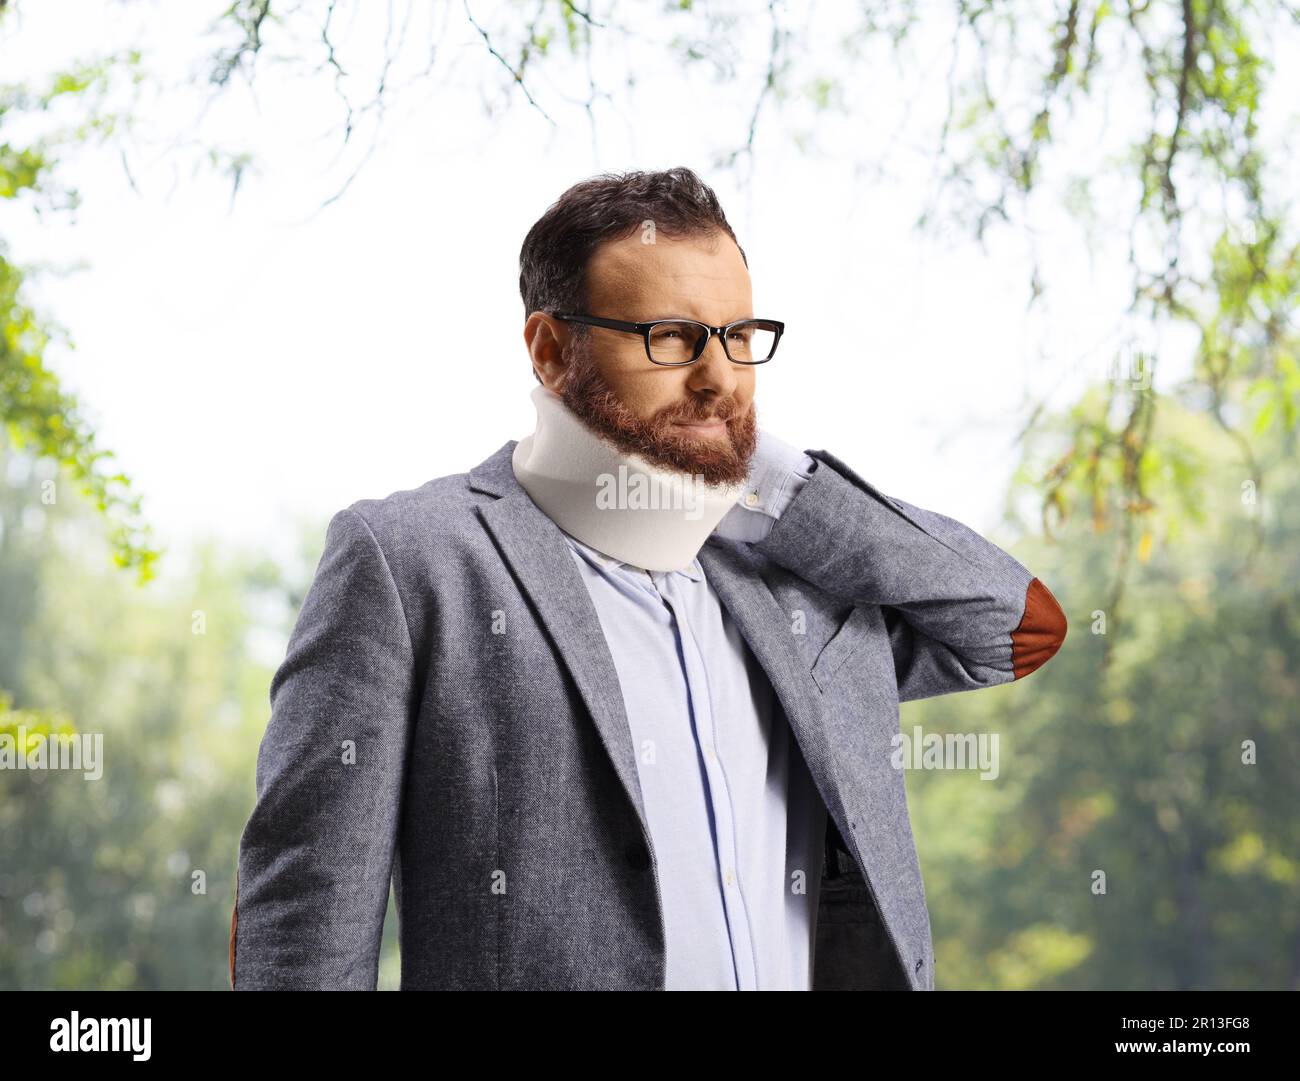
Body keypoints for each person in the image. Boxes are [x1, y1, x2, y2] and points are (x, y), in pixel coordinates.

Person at [230, 166, 1067, 991]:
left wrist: (768, 478)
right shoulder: (413, 562)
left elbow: (1018, 628)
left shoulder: (795, 588)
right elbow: (304, 931)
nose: (719, 376)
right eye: (671, 336)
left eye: (739, 337)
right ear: (551, 350)